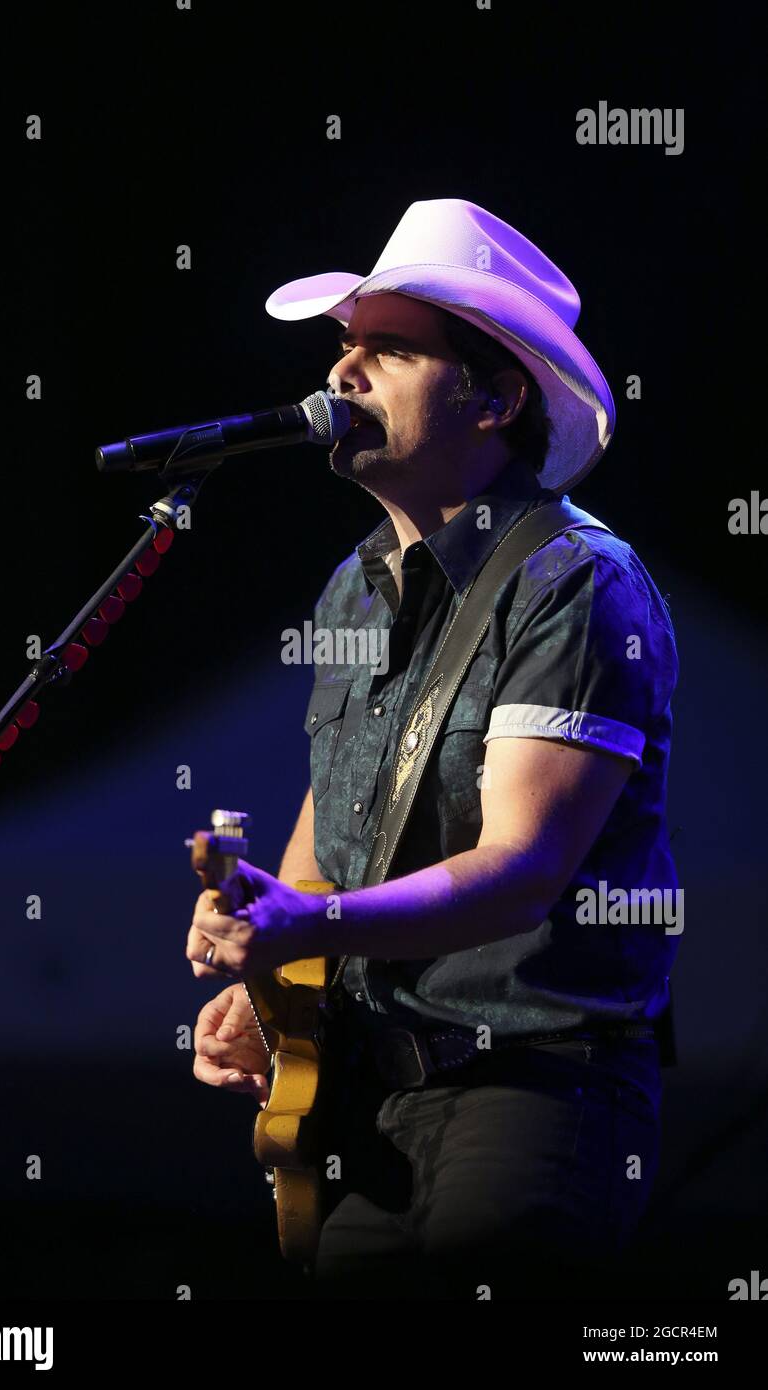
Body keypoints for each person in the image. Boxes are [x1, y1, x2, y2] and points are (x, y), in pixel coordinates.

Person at [187, 199, 680, 1299]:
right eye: (345, 345)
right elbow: (343, 813)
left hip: (533, 1092)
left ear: (497, 396)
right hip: (368, 1100)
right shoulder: (355, 580)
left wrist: (306, 918)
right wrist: (274, 969)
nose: (345, 370)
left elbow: (520, 871)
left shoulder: (576, 583)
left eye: (391, 347)